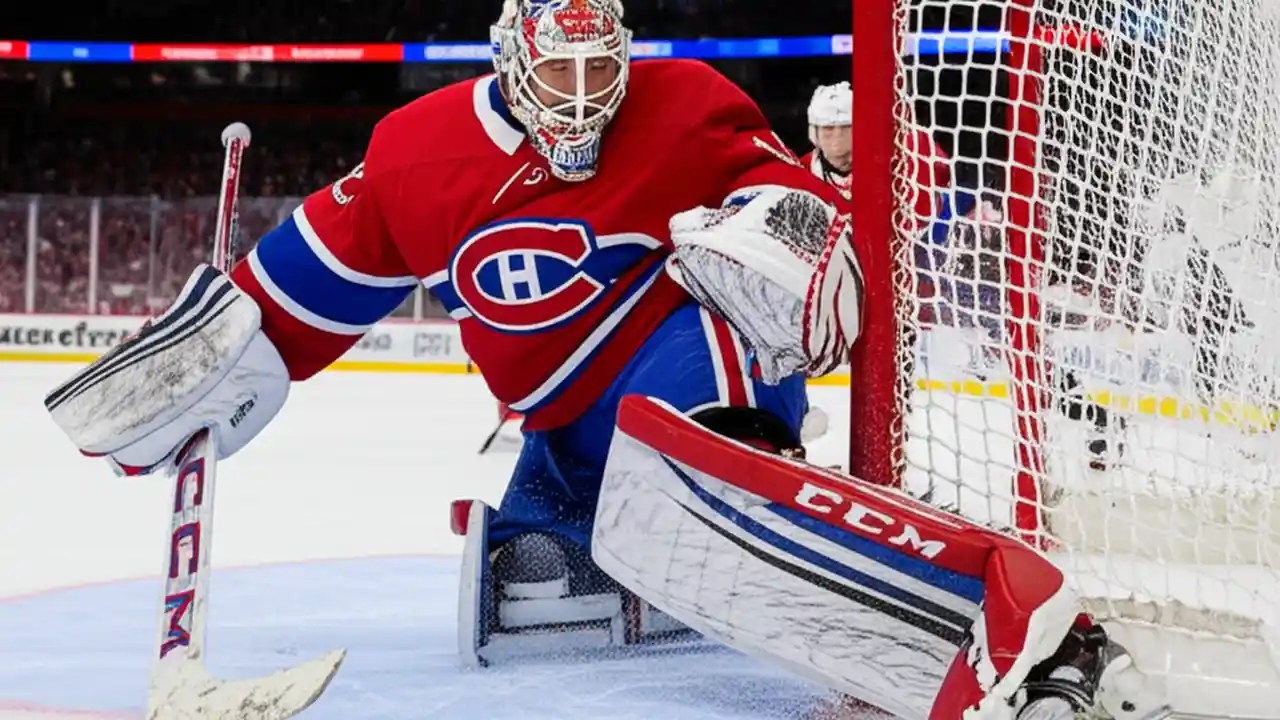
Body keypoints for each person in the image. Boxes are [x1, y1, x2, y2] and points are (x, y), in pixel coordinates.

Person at [43, 1, 1169, 717]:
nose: (584, 98)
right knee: (538, 566)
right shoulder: (416, 154)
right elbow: (298, 297)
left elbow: (782, 197)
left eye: (600, 70)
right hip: (563, 420)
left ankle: (994, 630)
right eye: (559, 74)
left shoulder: (683, 103)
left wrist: (794, 237)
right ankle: (612, 518)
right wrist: (209, 363)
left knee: (685, 490)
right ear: (508, 58)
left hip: (695, 364)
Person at [803, 81, 851, 200]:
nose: (838, 135)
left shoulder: (879, 167)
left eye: (846, 127)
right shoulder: (801, 170)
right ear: (815, 133)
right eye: (828, 128)